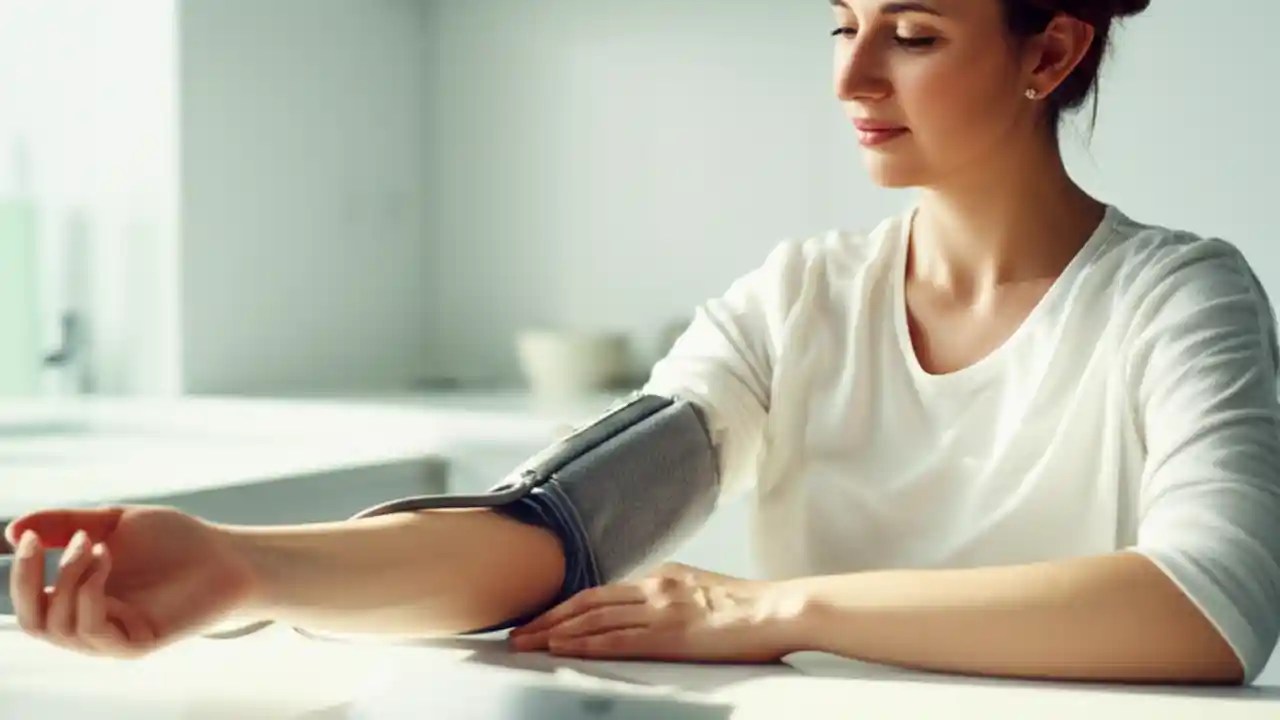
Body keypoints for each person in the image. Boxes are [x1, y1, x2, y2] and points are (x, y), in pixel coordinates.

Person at [6, 0, 1279, 686]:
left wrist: (772, 610)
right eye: (840, 24)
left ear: (1047, 49)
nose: (849, 78)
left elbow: (1205, 607)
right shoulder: (796, 302)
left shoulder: (1177, 298)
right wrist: (240, 568)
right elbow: (555, 533)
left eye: (913, 32)